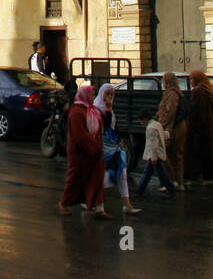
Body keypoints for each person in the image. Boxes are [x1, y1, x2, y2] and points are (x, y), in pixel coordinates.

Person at [57, 84, 112, 218]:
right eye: (92, 95)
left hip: (94, 151)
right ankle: (63, 203)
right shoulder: (76, 112)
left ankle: (99, 208)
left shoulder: (91, 110)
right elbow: (80, 135)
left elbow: (100, 128)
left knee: (97, 178)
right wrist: (94, 147)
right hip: (80, 152)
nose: (93, 98)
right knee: (76, 178)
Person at [95, 83, 141, 214]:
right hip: (102, 147)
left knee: (122, 172)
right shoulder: (97, 108)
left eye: (111, 94)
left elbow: (114, 127)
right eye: (107, 94)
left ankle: (127, 204)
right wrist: (108, 110)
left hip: (112, 146)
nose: (109, 97)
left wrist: (119, 139)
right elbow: (106, 126)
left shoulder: (110, 109)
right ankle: (95, 203)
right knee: (101, 175)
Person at [186, 70, 213, 183]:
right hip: (209, 125)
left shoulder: (198, 91)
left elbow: (198, 111)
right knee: (206, 153)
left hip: (202, 127)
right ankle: (203, 177)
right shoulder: (207, 89)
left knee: (202, 153)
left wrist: (193, 127)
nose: (190, 82)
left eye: (191, 79)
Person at [156, 72, 188, 189]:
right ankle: (179, 183)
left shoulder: (171, 94)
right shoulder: (178, 93)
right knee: (177, 155)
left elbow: (169, 112)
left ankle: (172, 181)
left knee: (166, 154)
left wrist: (162, 125)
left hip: (173, 128)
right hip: (179, 126)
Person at [135, 108, 176, 197]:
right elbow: (163, 135)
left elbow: (153, 144)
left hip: (155, 155)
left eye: (141, 121)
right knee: (149, 173)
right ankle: (139, 191)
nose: (141, 123)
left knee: (159, 174)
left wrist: (153, 157)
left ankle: (171, 189)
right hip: (157, 154)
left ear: (145, 119)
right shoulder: (157, 124)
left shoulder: (150, 128)